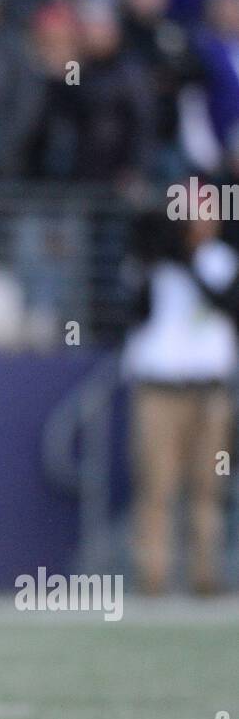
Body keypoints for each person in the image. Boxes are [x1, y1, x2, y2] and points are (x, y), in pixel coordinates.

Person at [122, 206, 238, 596]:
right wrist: (155, 259)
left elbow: (226, 303)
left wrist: (187, 262)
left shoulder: (223, 259)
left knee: (208, 487)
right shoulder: (154, 259)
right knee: (157, 485)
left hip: (210, 391)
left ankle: (206, 576)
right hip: (160, 391)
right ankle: (152, 577)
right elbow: (137, 311)